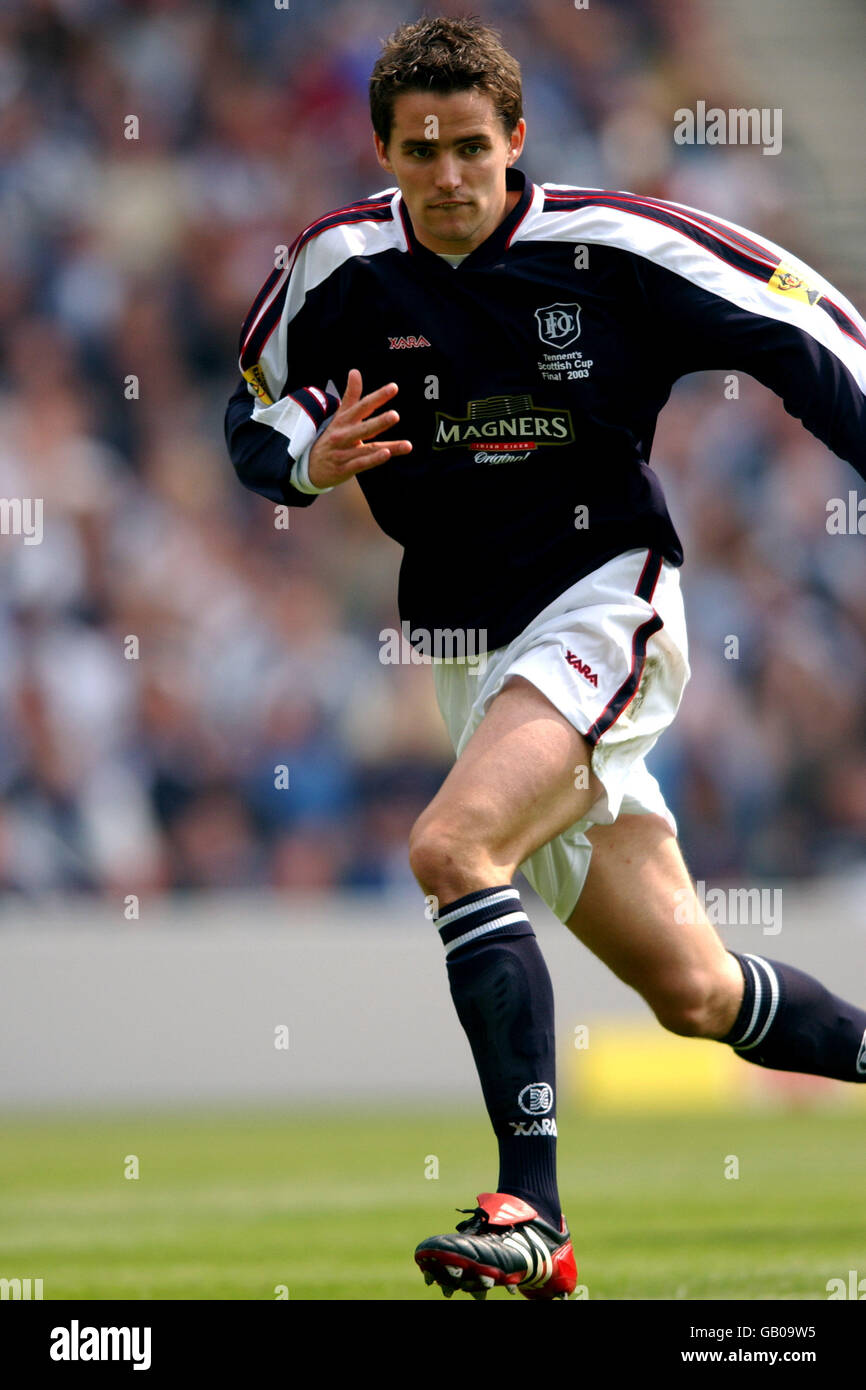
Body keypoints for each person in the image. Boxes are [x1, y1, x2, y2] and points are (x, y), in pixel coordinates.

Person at [225, 16, 866, 1301]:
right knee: (692, 991)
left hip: (603, 603)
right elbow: (250, 416)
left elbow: (804, 329)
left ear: (516, 140)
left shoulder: (613, 247)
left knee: (453, 849)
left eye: (473, 145)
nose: (450, 173)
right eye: (422, 150)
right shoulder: (337, 268)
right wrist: (303, 458)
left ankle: (533, 1210)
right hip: (471, 656)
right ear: (383, 152)